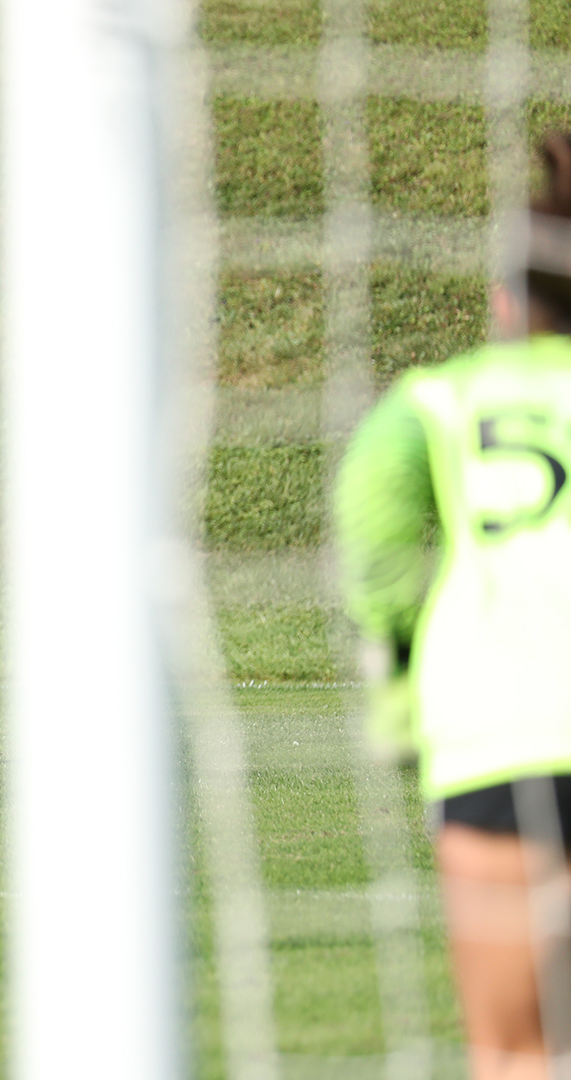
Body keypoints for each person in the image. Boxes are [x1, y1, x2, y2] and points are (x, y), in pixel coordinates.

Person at [336, 133, 571, 1079]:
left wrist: (394, 699)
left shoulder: (432, 401)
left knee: (515, 1054)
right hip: (499, 735)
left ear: (506, 299)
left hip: (499, 736)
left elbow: (377, 555)